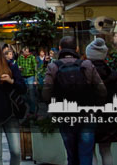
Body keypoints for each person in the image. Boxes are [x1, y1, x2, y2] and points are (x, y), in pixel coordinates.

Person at [41, 36, 106, 165]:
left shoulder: (53, 67)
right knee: (86, 154)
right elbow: (102, 91)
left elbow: (46, 94)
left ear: (60, 49)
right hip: (87, 115)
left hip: (65, 117)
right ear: (76, 49)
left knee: (71, 155)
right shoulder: (87, 65)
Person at [85, 37, 117, 165]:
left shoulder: (83, 73)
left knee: (89, 151)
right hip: (108, 116)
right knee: (106, 150)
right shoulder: (112, 74)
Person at [15, 47, 39, 117]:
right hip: (22, 77)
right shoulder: (20, 58)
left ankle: (32, 111)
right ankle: (31, 105)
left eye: (27, 51)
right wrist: (18, 68)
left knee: (31, 93)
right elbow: (17, 66)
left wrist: (35, 79)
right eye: (25, 51)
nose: (26, 52)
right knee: (23, 94)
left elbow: (35, 68)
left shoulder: (32, 57)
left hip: (30, 77)